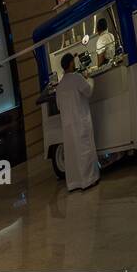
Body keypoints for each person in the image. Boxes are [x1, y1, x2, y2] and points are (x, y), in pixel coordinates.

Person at [55, 53, 100, 191]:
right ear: (70, 64)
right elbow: (88, 91)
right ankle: (89, 180)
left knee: (72, 155)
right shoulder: (77, 78)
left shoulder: (59, 86)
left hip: (68, 126)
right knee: (85, 151)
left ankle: (74, 183)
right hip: (80, 121)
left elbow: (58, 106)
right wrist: (90, 79)